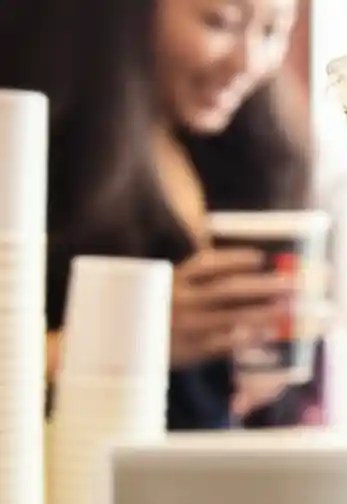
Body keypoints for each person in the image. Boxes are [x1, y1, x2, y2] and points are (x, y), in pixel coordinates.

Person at [0, 0, 320, 429]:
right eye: (220, 22)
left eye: (272, 31)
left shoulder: (238, 150)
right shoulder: (25, 143)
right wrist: (134, 336)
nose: (249, 61)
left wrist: (261, 355)